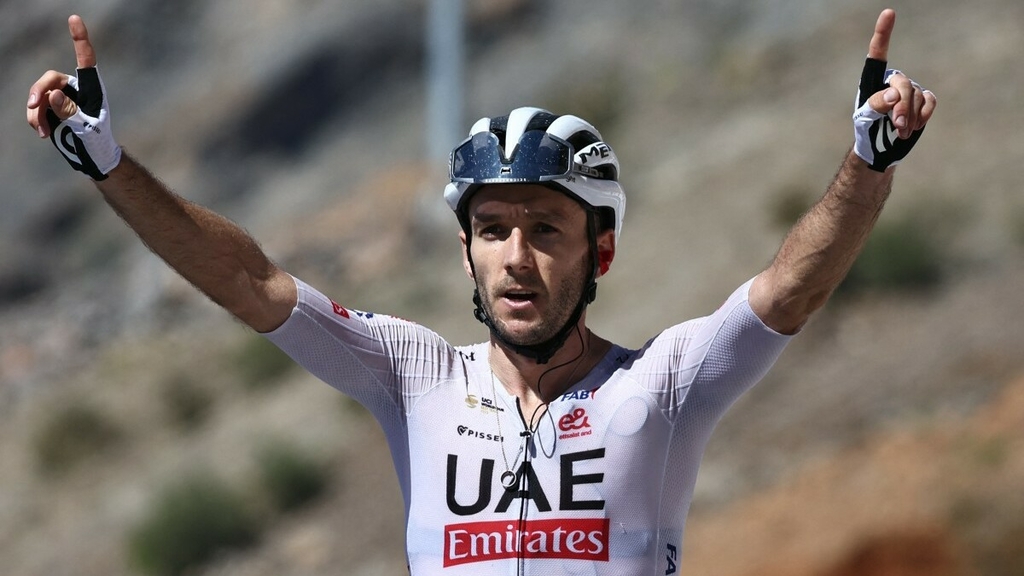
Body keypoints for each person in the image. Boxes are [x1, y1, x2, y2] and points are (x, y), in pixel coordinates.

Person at [26, 9, 936, 575]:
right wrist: (110, 164)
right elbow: (249, 280)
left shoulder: (663, 383)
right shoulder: (413, 376)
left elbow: (789, 291)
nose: (516, 258)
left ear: (601, 252)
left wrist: (866, 163)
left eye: (547, 230)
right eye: (493, 231)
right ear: (465, 255)